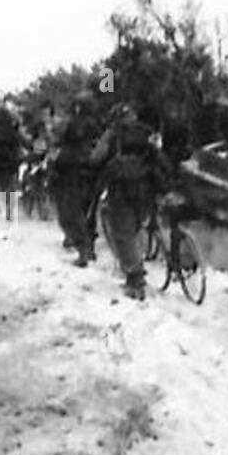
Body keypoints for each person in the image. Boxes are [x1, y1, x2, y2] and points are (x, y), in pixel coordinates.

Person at [94, 102, 163, 301]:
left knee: (123, 234)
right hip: (146, 185)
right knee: (136, 228)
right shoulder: (147, 132)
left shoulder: (113, 134)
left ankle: (135, 280)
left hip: (121, 188)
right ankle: (137, 264)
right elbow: (158, 155)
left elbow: (97, 157)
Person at [51, 91, 102, 266]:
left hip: (72, 171)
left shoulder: (74, 124)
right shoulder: (97, 124)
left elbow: (60, 140)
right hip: (93, 172)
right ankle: (91, 247)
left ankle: (83, 250)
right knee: (89, 211)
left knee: (72, 211)